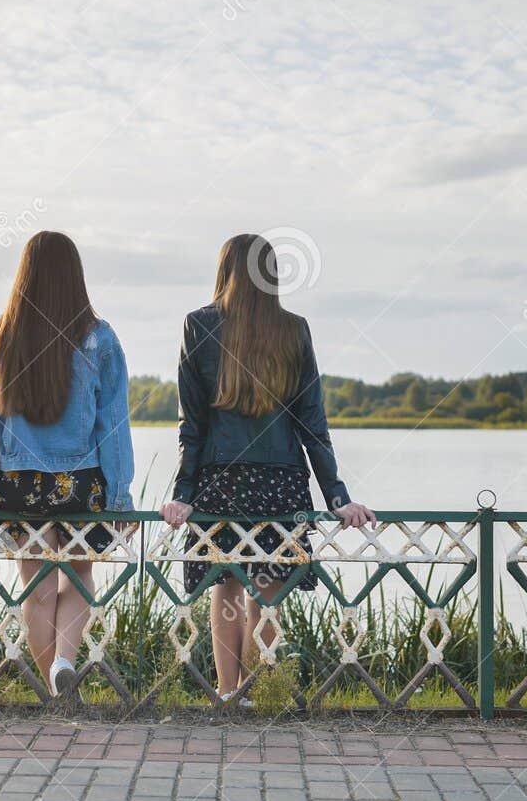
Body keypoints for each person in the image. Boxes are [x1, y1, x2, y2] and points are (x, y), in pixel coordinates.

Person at [159, 233, 375, 704]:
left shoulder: (198, 325)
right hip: (281, 481)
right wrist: (337, 496)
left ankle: (228, 693)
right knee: (267, 594)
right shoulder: (293, 329)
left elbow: (191, 423)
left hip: (221, 481)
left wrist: (183, 493)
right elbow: (312, 422)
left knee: (225, 588)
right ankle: (259, 692)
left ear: (224, 271)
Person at [0, 230, 135, 699]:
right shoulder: (99, 339)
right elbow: (113, 427)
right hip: (80, 483)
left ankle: (54, 694)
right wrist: (120, 497)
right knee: (78, 578)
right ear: (74, 277)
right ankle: (64, 662)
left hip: (19, 485)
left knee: (36, 591)